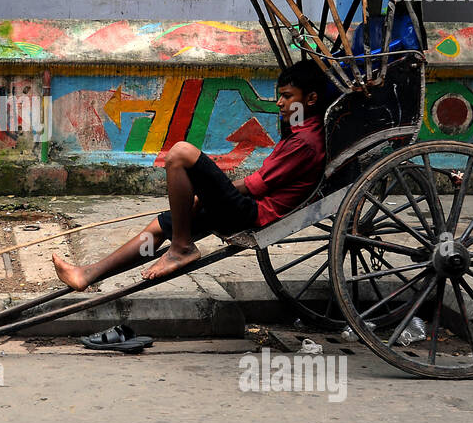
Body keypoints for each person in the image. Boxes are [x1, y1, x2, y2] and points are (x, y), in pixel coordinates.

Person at [53, 58, 332, 297]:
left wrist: (203, 194)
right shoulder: (299, 132)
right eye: (280, 96)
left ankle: (182, 247)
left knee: (181, 153)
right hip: (248, 207)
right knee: (160, 226)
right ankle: (87, 275)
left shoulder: (304, 142)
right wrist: (202, 197)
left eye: (287, 96)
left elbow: (254, 185)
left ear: (311, 99)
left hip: (254, 213)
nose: (280, 103)